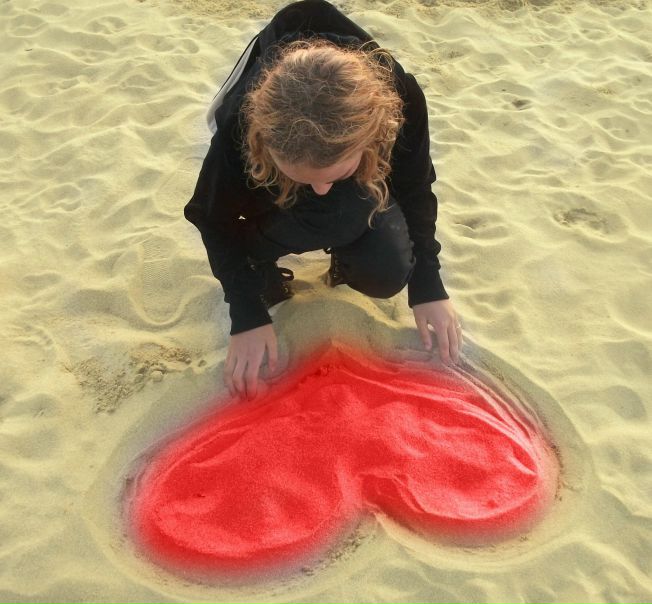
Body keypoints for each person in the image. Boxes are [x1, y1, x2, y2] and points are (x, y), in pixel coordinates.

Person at [184, 0, 462, 400]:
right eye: (303, 179)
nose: (318, 190)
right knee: (328, 209)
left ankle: (343, 224)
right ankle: (262, 252)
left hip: (356, 163)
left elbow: (415, 187)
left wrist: (428, 284)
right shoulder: (239, 121)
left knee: (384, 269)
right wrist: (245, 312)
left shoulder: (402, 99)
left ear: (374, 134)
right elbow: (211, 216)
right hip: (262, 172)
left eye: (335, 175)